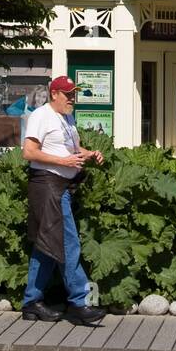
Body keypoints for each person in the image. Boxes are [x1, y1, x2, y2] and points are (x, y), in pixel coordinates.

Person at [21, 76, 106, 326]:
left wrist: (89, 154)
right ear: (54, 93)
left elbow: (73, 150)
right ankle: (80, 303)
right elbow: (28, 152)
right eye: (68, 94)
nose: (72, 98)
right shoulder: (40, 115)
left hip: (62, 186)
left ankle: (31, 302)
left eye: (74, 94)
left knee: (46, 246)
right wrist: (64, 162)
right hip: (47, 186)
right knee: (68, 243)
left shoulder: (67, 118)